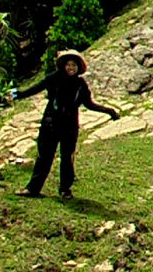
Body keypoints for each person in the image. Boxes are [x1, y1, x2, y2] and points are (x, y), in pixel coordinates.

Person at [9, 50, 119, 199]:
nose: (70, 68)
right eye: (68, 65)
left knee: (67, 158)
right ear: (64, 66)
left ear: (78, 67)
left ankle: (65, 189)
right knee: (44, 157)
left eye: (73, 65)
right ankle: (32, 189)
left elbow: (89, 104)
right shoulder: (54, 78)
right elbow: (35, 88)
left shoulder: (81, 85)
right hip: (51, 124)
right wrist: (18, 94)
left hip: (69, 127)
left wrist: (109, 111)